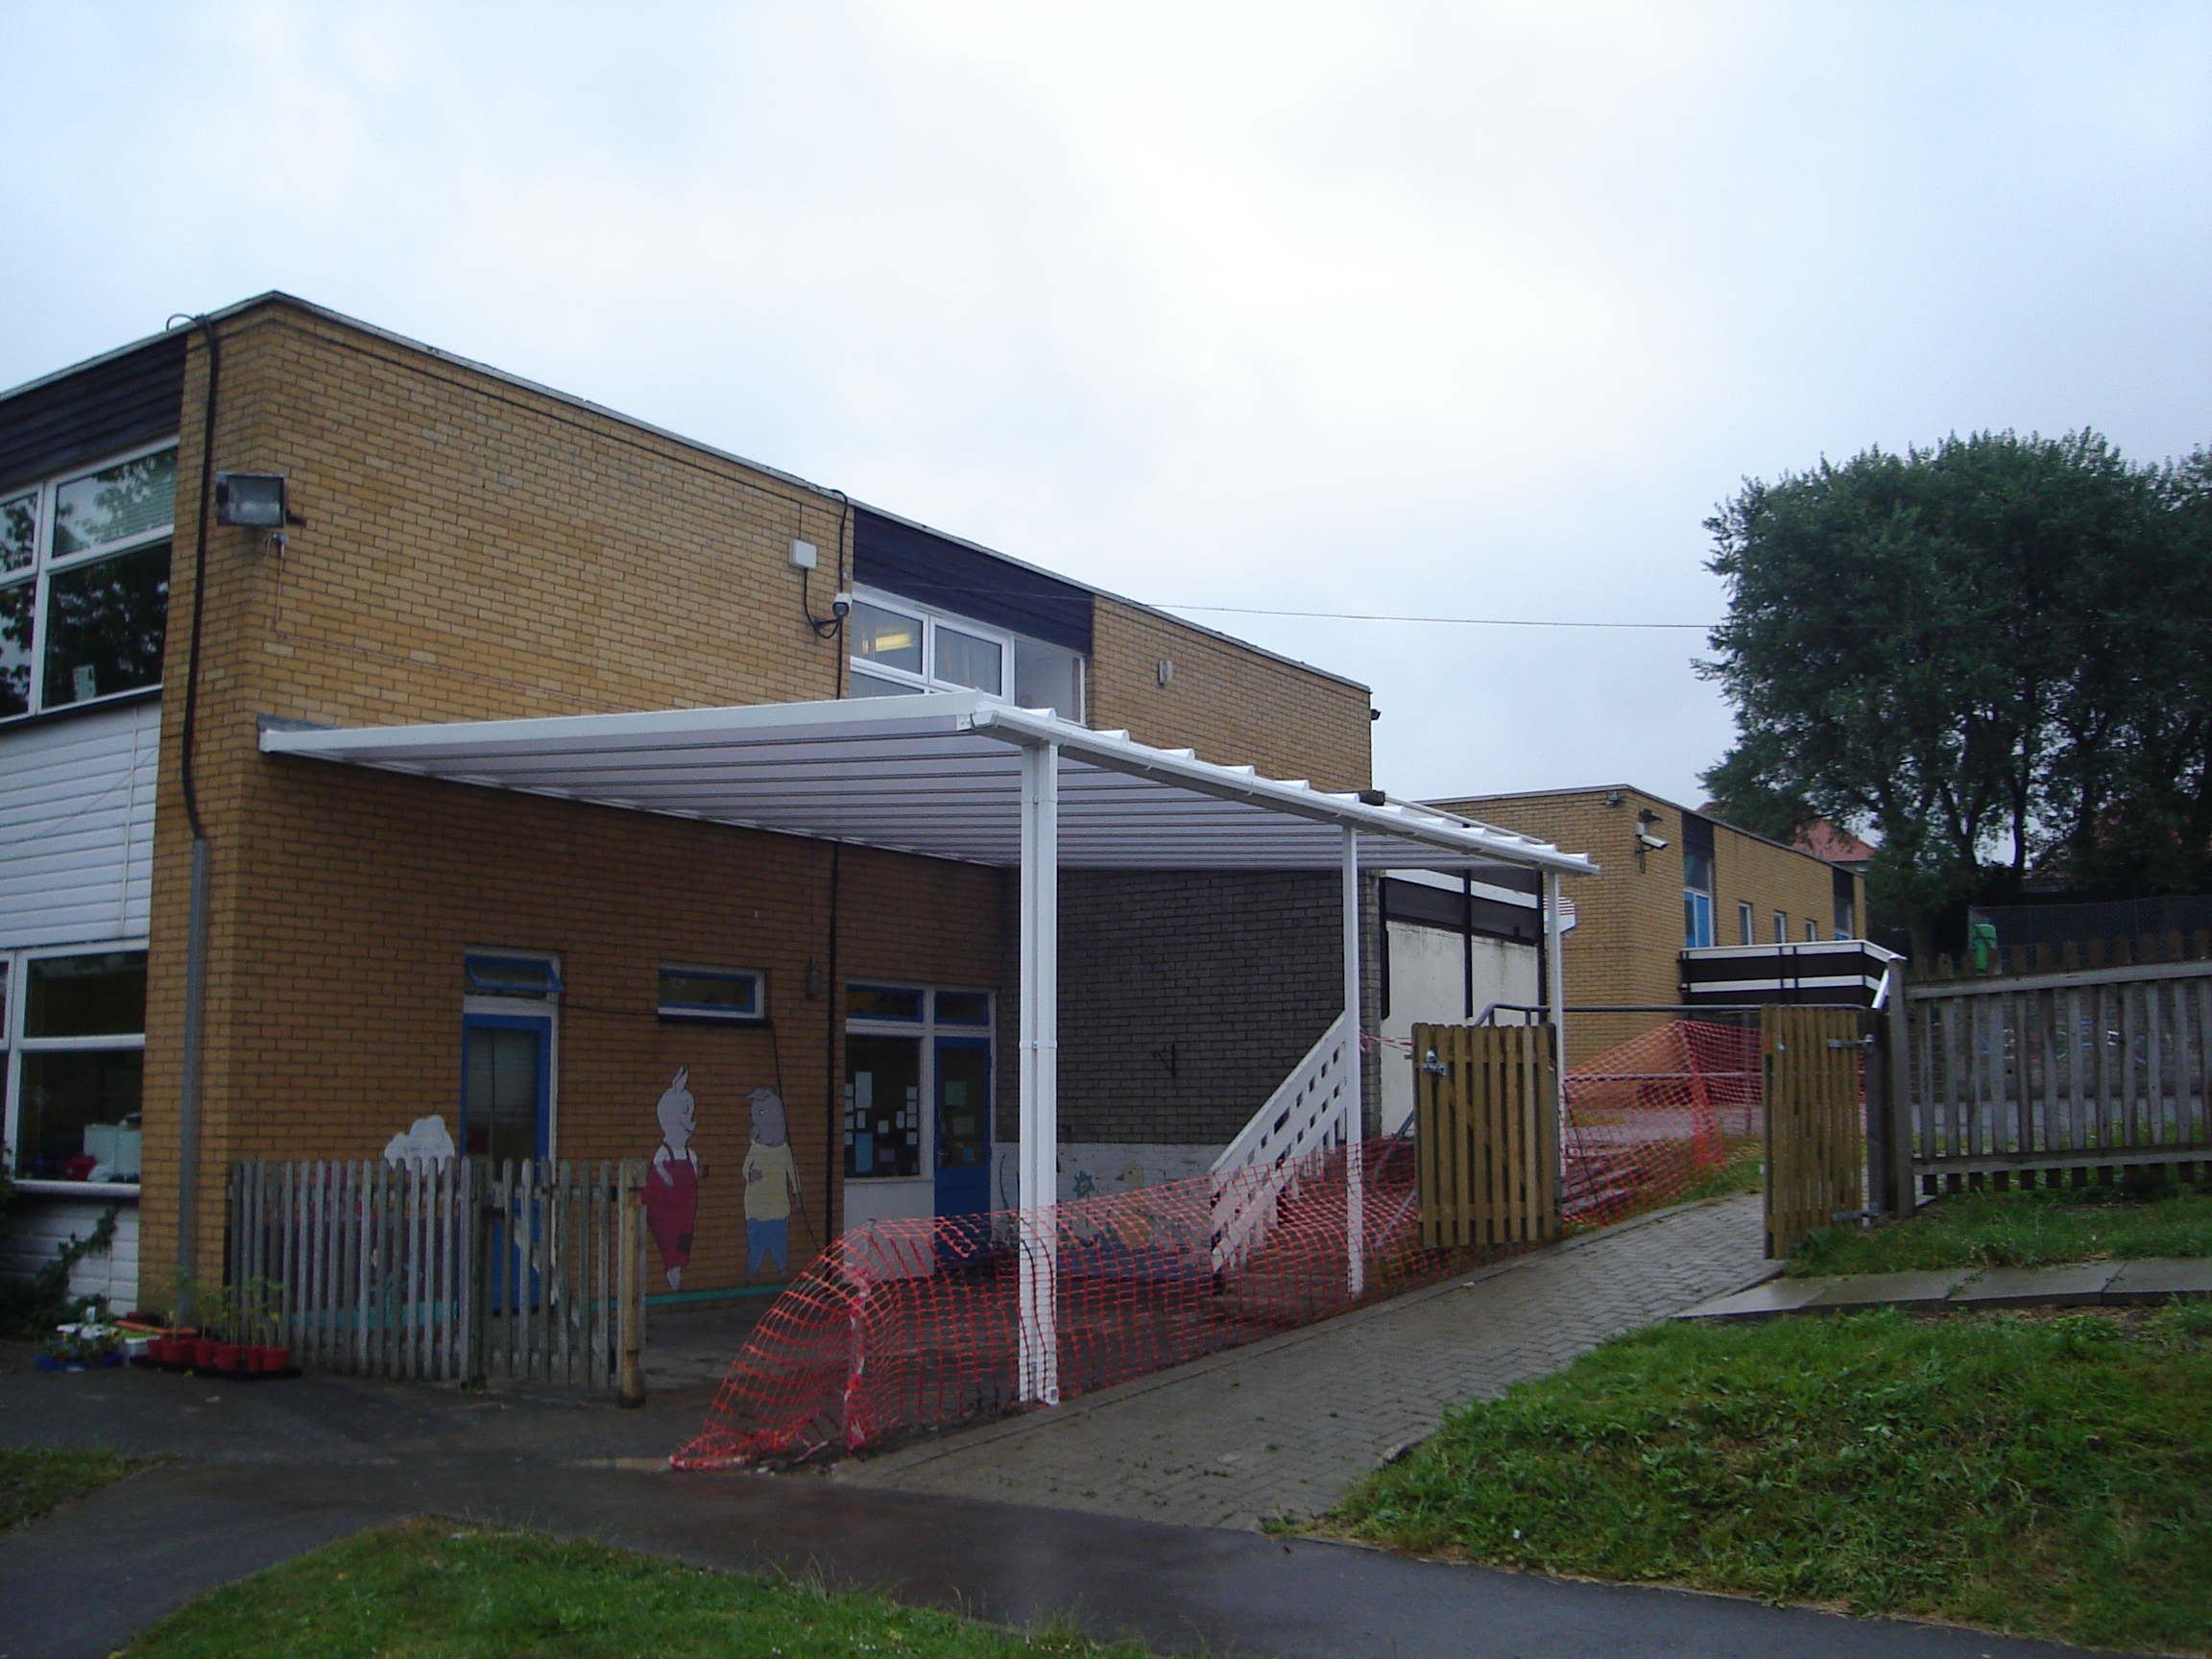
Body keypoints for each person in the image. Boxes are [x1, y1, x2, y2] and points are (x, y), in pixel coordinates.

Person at [645, 1068, 703, 1290]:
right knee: (670, 1239)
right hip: (668, 1211)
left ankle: (678, 1268)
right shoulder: (664, 1152)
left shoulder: (691, 1155)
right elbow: (658, 1169)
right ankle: (672, 1269)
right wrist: (666, 1177)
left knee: (683, 1239)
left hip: (685, 1212)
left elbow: (694, 1175)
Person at [741, 1086, 803, 1281]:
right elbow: (745, 1169)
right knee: (756, 1244)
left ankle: (783, 1270)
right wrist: (750, 1175)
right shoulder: (756, 1148)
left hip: (778, 1207)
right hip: (756, 1207)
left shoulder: (783, 1150)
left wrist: (797, 1195)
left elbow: (793, 1173)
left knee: (779, 1242)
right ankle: (751, 1274)